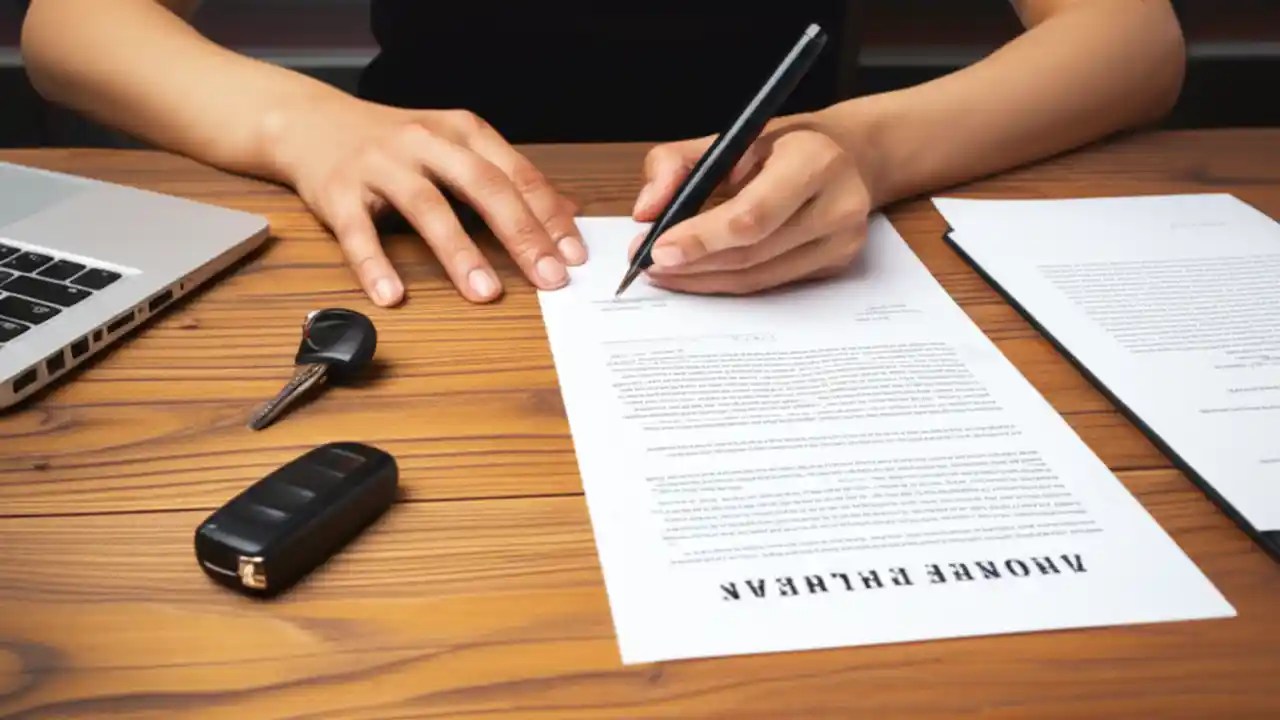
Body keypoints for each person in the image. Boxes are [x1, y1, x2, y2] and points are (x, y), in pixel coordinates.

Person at [19, 1, 1186, 307]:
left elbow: (1133, 39)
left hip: (789, 218)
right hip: (418, 233)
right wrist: (300, 122)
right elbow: (71, 22)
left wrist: (863, 145)